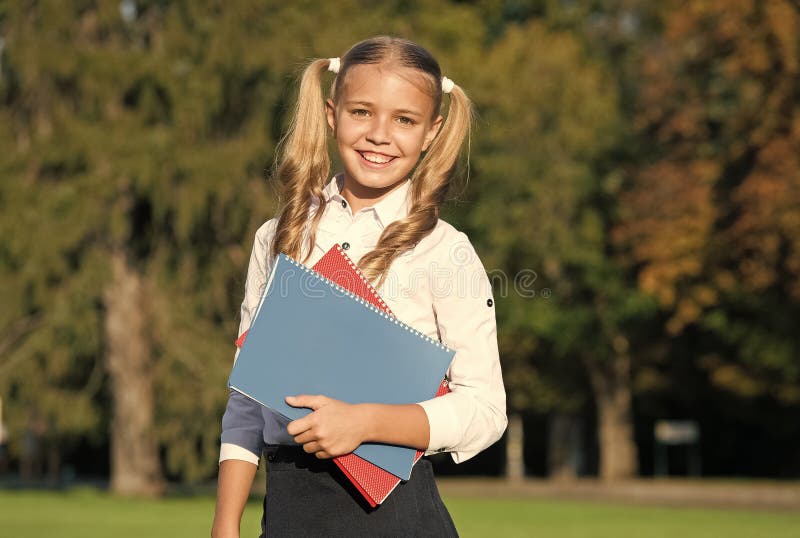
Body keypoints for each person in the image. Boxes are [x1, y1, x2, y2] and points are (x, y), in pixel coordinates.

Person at [212, 36, 507, 537]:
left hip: (395, 515)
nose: (379, 135)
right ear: (332, 114)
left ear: (432, 132)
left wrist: (366, 423)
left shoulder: (445, 250)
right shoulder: (278, 236)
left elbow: (485, 410)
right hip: (287, 511)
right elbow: (246, 397)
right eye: (362, 112)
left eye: (404, 120)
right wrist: (225, 524)